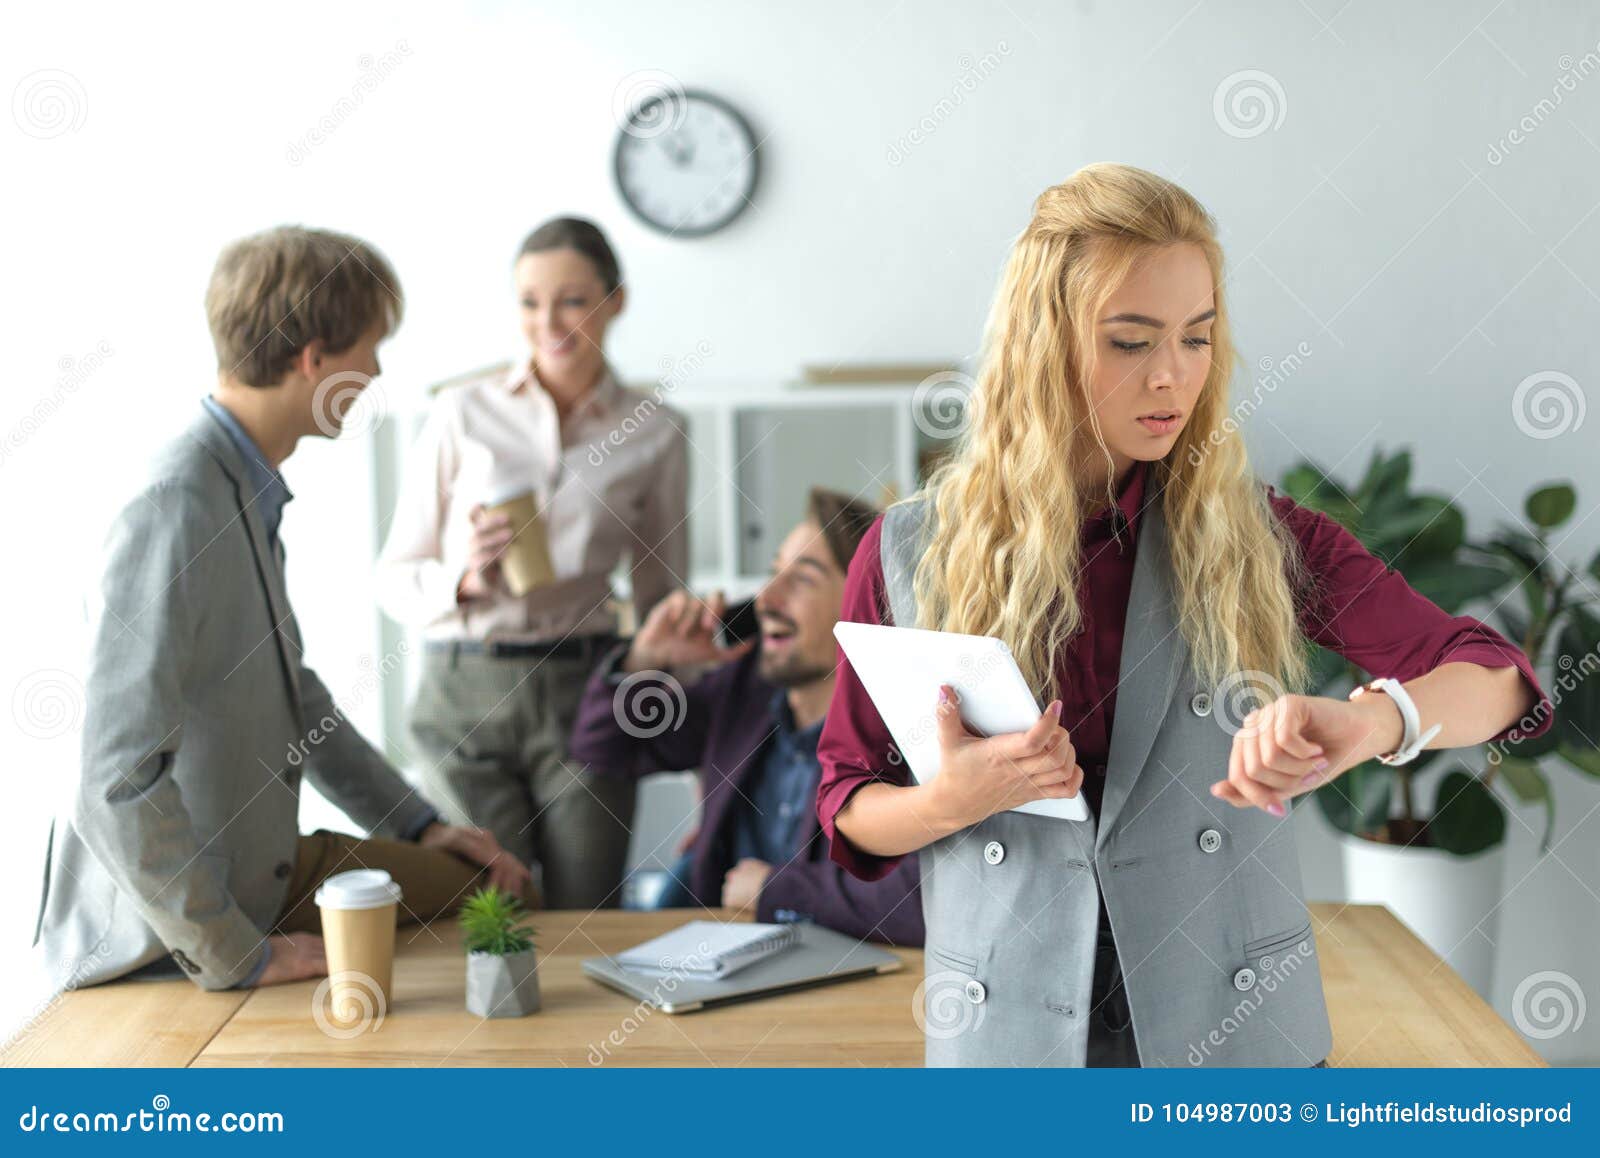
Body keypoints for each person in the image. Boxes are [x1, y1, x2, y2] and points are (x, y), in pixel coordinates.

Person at [816, 163, 1554, 1067]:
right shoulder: (906, 551)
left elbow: (1500, 681)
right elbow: (847, 805)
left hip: (1232, 1033)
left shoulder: (1259, 534)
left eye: (1196, 338)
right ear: (1043, 342)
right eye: (1131, 341)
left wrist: (1370, 724)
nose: (1173, 377)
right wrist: (949, 802)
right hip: (1004, 1034)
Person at [34, 226, 532, 993]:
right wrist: (243, 953)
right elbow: (114, 780)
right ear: (315, 359)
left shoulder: (247, 490)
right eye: (371, 347)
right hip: (173, 925)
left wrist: (420, 824)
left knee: (492, 884)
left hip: (264, 867)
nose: (376, 371)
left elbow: (297, 701)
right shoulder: (177, 503)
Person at [376, 217, 687, 910]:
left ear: (616, 301)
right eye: (528, 302)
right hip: (464, 692)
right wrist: (462, 577)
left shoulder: (657, 432)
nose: (548, 321)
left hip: (587, 686)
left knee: (586, 909)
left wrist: (688, 730)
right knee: (492, 910)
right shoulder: (461, 412)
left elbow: (661, 596)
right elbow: (394, 576)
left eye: (573, 300)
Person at [569, 489, 923, 945]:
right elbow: (601, 748)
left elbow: (919, 901)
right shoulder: (743, 688)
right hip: (715, 953)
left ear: (867, 603)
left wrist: (776, 891)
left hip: (836, 973)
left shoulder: (906, 731)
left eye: (803, 579)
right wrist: (644, 662)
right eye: (775, 574)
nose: (766, 599)